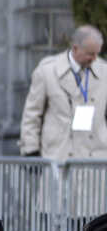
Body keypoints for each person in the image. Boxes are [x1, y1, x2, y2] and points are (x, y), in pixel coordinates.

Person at [19, 24, 107, 159]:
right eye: (90, 54)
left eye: (97, 53)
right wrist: (31, 150)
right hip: (59, 155)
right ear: (76, 48)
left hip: (95, 158)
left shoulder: (104, 71)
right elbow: (32, 113)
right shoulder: (47, 71)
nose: (94, 59)